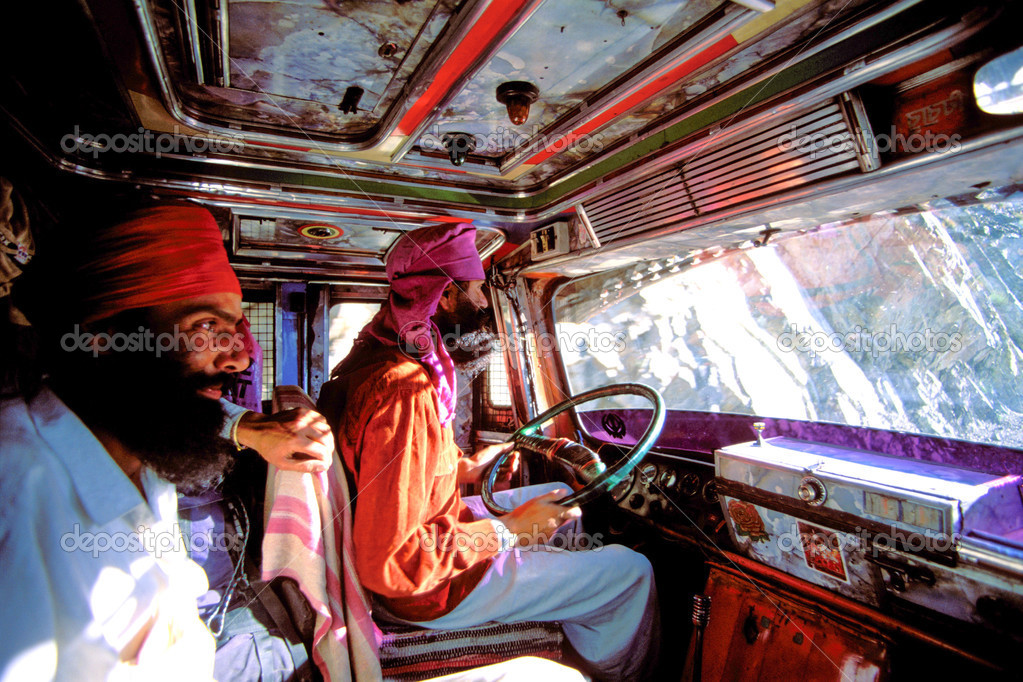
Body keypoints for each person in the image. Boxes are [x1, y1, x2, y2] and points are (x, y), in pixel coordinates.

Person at [0, 203, 333, 680]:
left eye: (234, 328)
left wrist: (247, 428)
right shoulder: (17, 500)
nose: (240, 358)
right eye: (205, 326)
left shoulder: (144, 451)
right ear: (104, 337)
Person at [319, 223, 658, 681]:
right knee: (631, 571)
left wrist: (463, 469)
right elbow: (392, 565)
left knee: (561, 492)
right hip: (430, 590)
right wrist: (509, 531)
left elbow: (387, 469)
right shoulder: (403, 389)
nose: (483, 305)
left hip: (435, 538)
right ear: (443, 296)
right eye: (478, 291)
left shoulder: (374, 357)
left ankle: (560, 600)